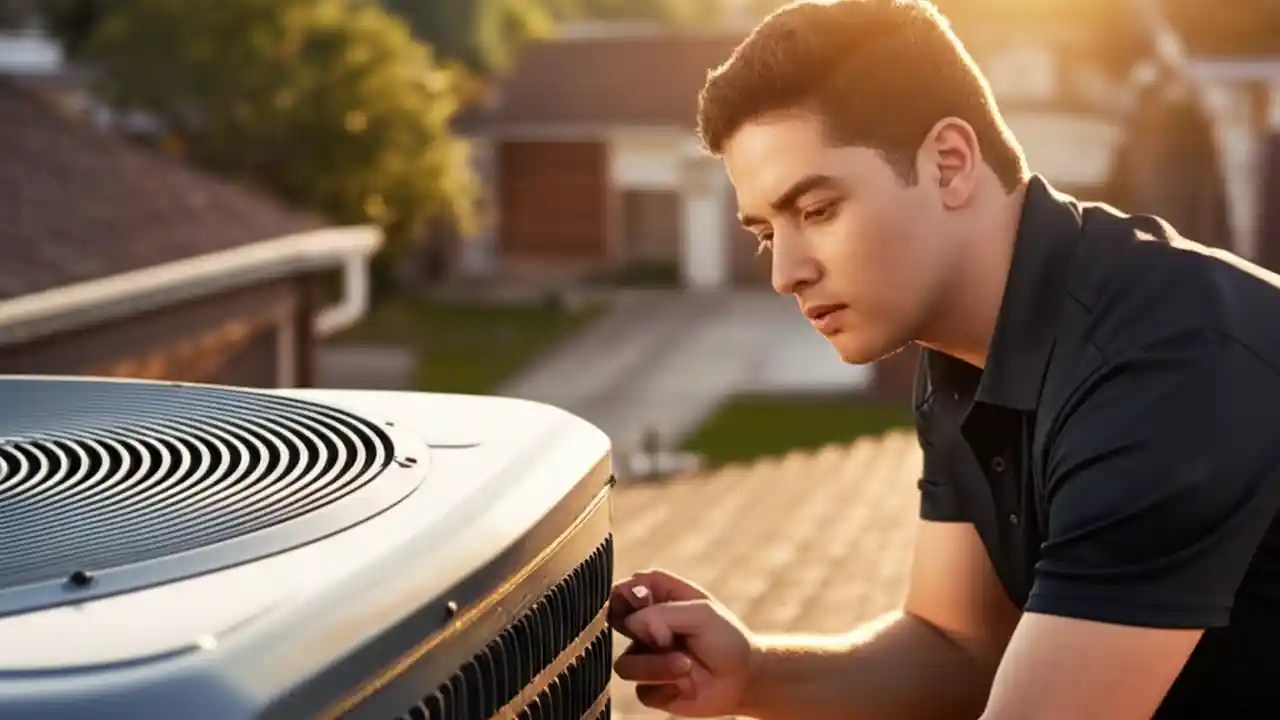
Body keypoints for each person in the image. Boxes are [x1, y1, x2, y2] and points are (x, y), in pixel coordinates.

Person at [608, 1, 1280, 718]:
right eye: (769, 232)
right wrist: (754, 674)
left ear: (950, 164)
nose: (787, 272)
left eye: (818, 209)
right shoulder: (966, 347)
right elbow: (957, 648)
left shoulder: (1165, 364)